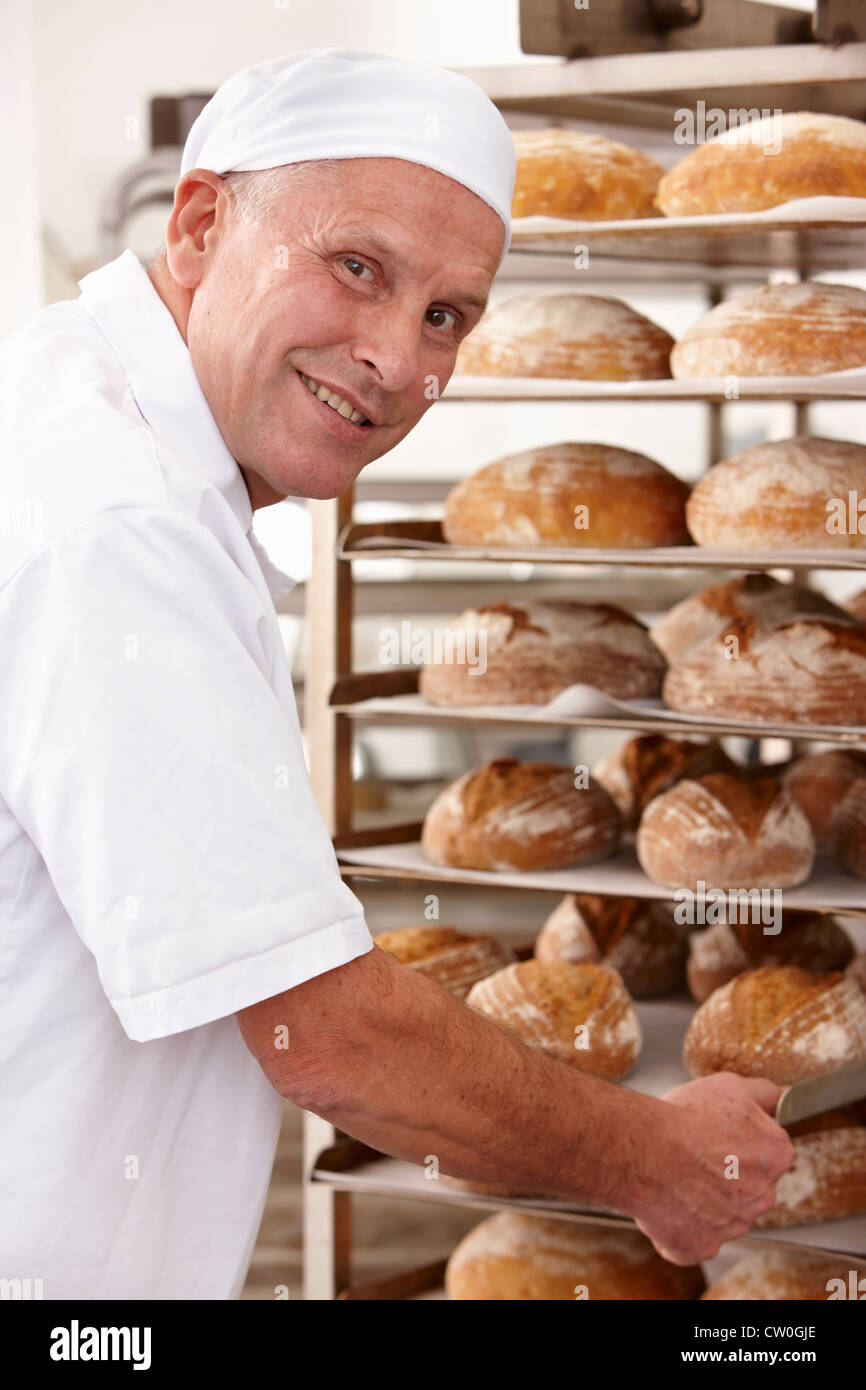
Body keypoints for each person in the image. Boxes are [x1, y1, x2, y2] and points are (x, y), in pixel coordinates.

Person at [0, 48, 793, 1301]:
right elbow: (320, 1029)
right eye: (355, 267)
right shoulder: (114, 519)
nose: (390, 354)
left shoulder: (85, 419)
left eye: (444, 316)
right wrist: (651, 1155)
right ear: (201, 222)